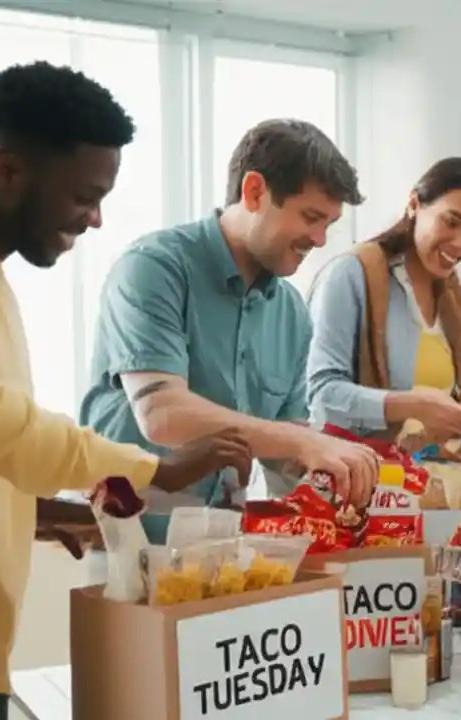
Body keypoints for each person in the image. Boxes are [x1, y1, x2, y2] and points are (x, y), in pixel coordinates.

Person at [0, 61, 250, 720]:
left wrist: (38, 510)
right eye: (84, 195)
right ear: (7, 170)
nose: (96, 218)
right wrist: (149, 468)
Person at [79, 119, 380, 540]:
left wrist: (346, 476)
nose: (319, 238)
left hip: (218, 554)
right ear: (254, 192)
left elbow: (284, 457)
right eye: (311, 217)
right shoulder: (154, 268)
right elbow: (163, 417)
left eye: (328, 223)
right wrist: (302, 444)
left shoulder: (291, 313)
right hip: (119, 548)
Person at [306, 157, 461, 457]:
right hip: (348, 488)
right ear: (414, 204)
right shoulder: (351, 274)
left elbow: (419, 442)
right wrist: (411, 404)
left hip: (409, 490)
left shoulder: (452, 301)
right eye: (451, 222)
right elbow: (321, 395)